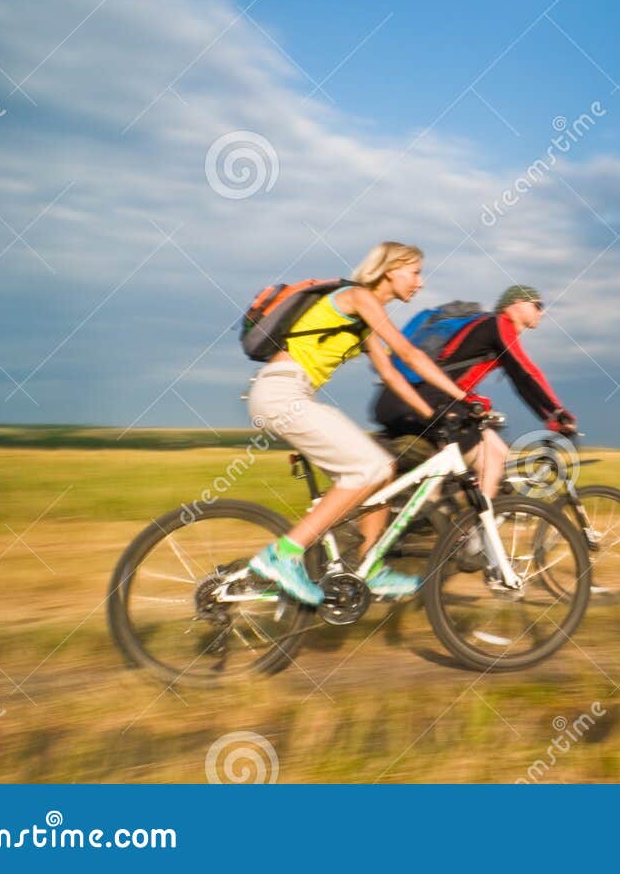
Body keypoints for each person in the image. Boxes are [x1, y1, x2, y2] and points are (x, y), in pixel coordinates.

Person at [245, 242, 480, 606]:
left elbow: (391, 374)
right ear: (390, 270)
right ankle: (282, 555)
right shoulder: (358, 297)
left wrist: (431, 414)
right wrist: (464, 397)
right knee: (369, 468)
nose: (420, 282)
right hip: (282, 393)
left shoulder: (363, 319)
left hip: (292, 394)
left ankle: (370, 567)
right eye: (415, 272)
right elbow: (409, 355)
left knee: (384, 471)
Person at [373, 284, 575, 501]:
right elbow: (527, 372)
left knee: (494, 455)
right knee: (493, 459)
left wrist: (549, 417)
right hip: (432, 398)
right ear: (517, 303)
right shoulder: (498, 324)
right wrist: (558, 411)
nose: (541, 312)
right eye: (537, 305)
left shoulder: (491, 328)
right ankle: (477, 521)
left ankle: (444, 511)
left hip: (427, 398)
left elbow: (521, 383)